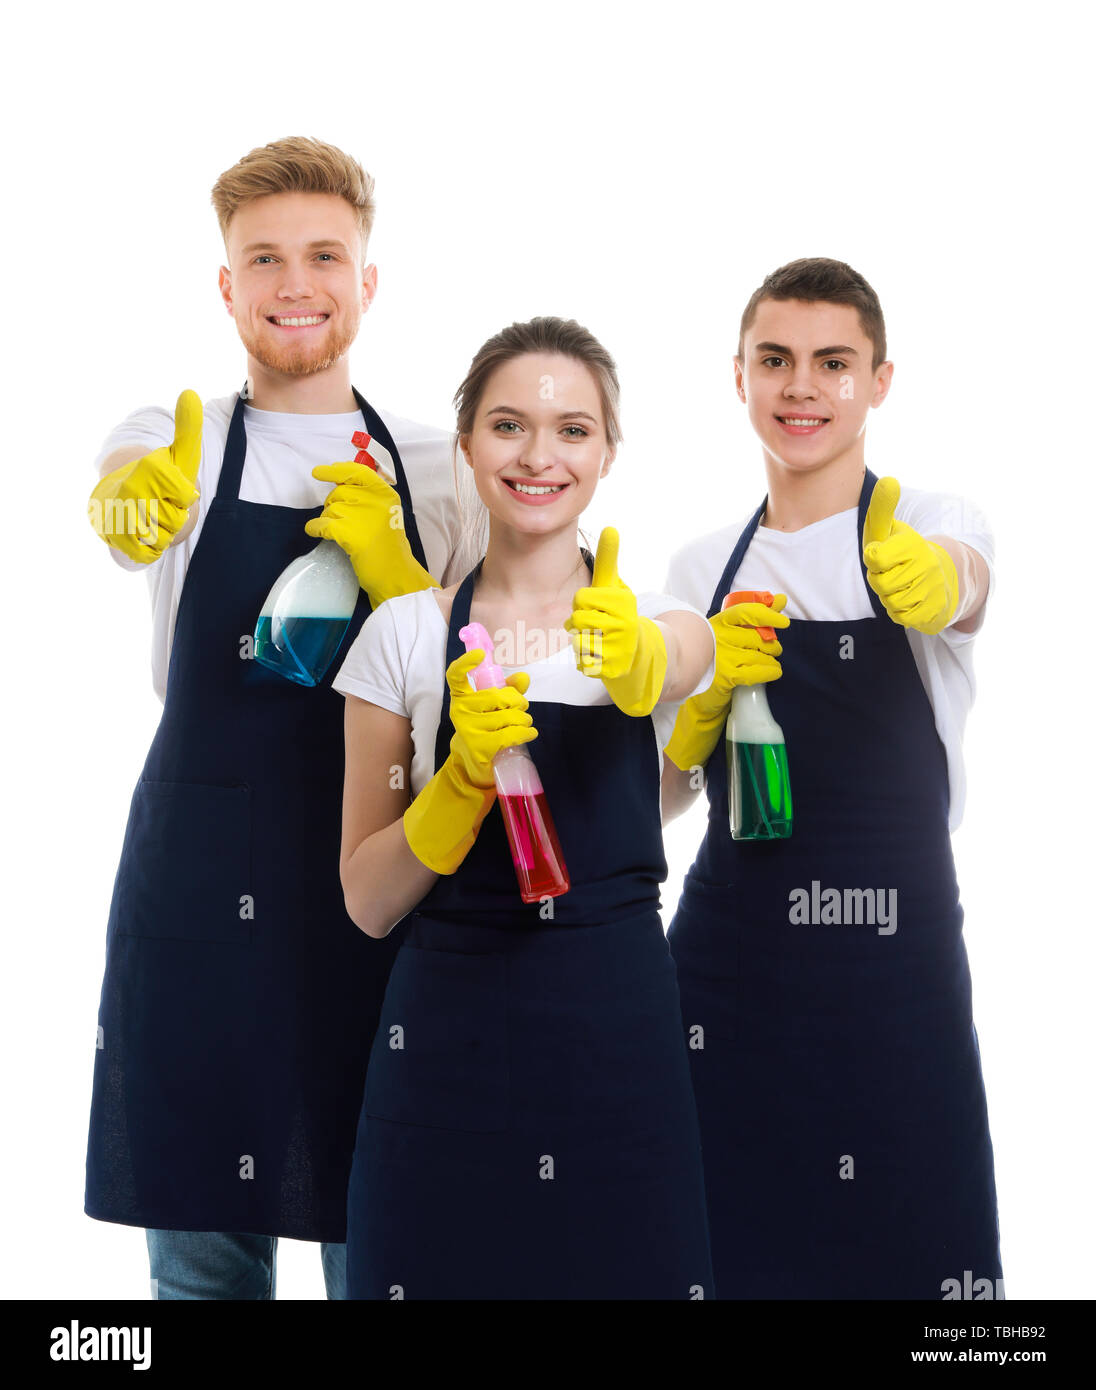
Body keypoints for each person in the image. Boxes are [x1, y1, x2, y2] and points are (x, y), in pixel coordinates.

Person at [84, 137, 462, 1300]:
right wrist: (127, 503)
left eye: (322, 255)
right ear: (227, 286)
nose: (294, 282)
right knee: (200, 1271)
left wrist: (401, 573)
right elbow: (124, 489)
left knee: (385, 1248)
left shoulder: (441, 470)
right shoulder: (182, 442)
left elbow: (471, 684)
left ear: (367, 281)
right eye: (264, 258)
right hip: (201, 898)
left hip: (381, 884)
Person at [333, 316, 717, 1299]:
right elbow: (369, 901)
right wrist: (457, 782)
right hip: (445, 1045)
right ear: (465, 445)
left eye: (572, 430)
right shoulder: (404, 638)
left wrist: (641, 662)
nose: (539, 454)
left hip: (617, 1037)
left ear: (608, 454)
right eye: (508, 425)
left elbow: (687, 656)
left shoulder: (648, 627)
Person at [661, 258, 1002, 1300]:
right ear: (739, 377)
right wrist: (692, 724)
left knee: (919, 1235)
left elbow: (972, 583)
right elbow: (662, 797)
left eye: (832, 363)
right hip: (728, 961)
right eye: (775, 360)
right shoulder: (702, 565)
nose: (800, 387)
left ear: (878, 381)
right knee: (713, 1237)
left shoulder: (928, 520)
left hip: (891, 964)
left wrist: (942, 583)